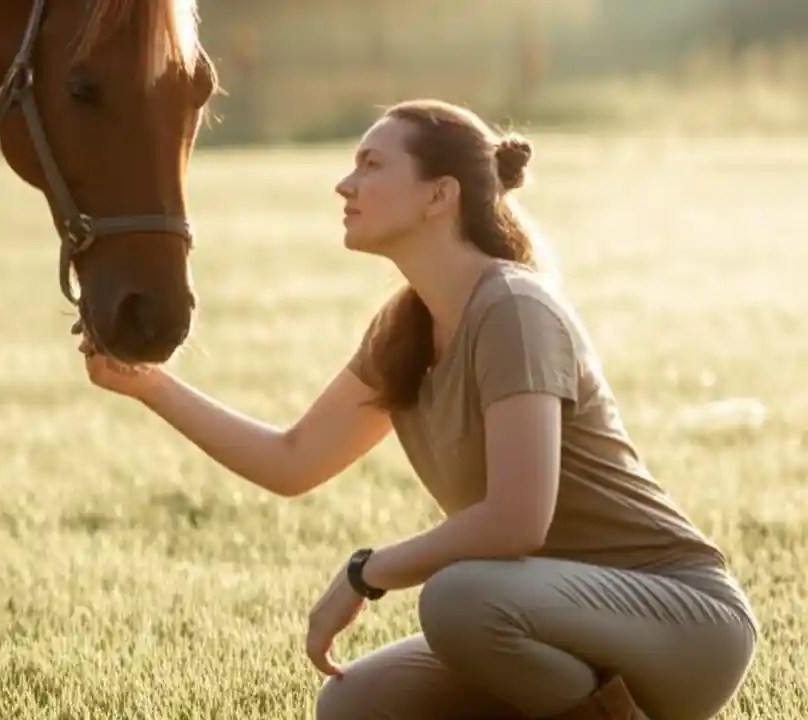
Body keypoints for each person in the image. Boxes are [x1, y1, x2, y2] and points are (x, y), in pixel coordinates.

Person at [77, 99, 758, 720]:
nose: (345, 186)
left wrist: (366, 573)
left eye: (371, 165)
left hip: (683, 626)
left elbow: (519, 519)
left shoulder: (514, 308)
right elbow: (291, 461)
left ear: (440, 195)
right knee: (354, 707)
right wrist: (149, 385)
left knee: (457, 599)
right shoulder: (405, 330)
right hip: (552, 623)